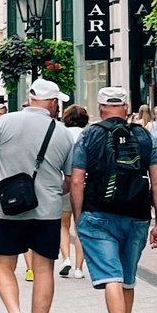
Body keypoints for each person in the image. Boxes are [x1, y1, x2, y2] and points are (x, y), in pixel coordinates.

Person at [69, 87, 157, 313]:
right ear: (127, 108)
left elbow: (77, 180)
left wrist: (79, 218)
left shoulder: (89, 135)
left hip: (97, 213)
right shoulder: (143, 136)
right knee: (126, 278)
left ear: (100, 109)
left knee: (110, 275)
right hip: (136, 214)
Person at [0, 80, 72, 313]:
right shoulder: (62, 132)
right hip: (47, 211)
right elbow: (69, 178)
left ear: (30, 99)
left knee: (4, 265)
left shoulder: (5, 123)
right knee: (43, 270)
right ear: (53, 103)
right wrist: (55, 191)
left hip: (10, 208)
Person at [57, 104, 90, 275]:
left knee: (63, 224)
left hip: (65, 182)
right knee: (80, 226)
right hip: (84, 184)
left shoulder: (62, 134)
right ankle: (79, 268)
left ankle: (66, 259)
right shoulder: (88, 134)